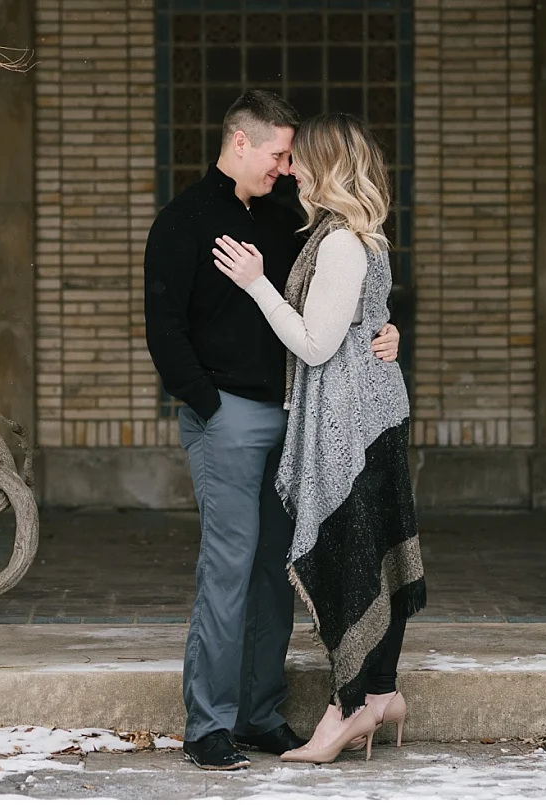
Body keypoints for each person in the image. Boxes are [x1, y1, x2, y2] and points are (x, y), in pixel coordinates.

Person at [144, 91, 400, 772]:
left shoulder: (290, 222)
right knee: (226, 570)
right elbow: (163, 327)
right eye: (278, 154)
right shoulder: (182, 221)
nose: (287, 168)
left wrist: (386, 332)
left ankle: (261, 712)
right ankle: (209, 724)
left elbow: (338, 304)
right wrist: (208, 402)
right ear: (239, 143)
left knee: (271, 572)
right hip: (225, 417)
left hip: (292, 422)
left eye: (293, 157)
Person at [211, 111, 426, 764]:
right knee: (373, 559)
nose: (291, 168)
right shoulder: (364, 233)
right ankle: (381, 693)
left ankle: (348, 708)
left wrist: (257, 287)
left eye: (301, 158)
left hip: (353, 430)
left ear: (325, 166)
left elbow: (315, 341)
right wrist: (387, 334)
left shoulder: (338, 243)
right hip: (377, 415)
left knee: (346, 564)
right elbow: (370, 320)